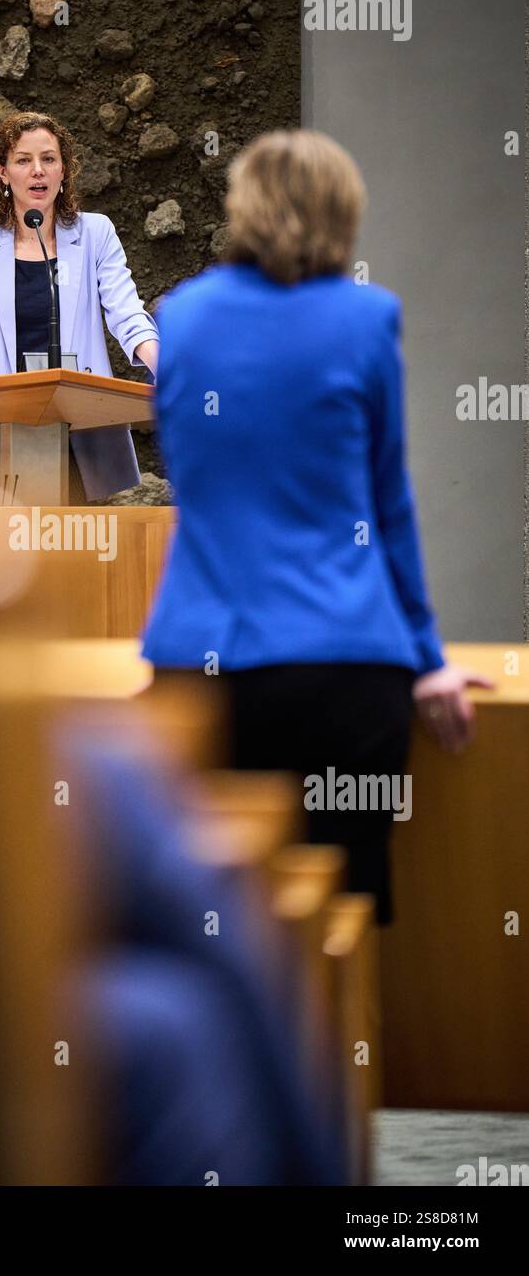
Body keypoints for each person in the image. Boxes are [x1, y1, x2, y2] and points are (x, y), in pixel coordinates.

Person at [141, 129, 493, 924]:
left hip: (204, 664)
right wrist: (427, 655)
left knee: (216, 922)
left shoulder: (182, 317)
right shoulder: (367, 319)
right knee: (345, 909)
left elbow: (193, 475)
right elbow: (387, 500)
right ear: (343, 213)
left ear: (243, 206)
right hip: (346, 664)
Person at [0, 111, 159, 502]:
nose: (38, 170)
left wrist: (166, 368)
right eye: (23, 160)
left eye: (49, 159)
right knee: (0, 540)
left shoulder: (95, 232)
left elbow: (126, 312)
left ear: (64, 170)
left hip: (80, 429)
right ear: (3, 172)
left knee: (74, 540)